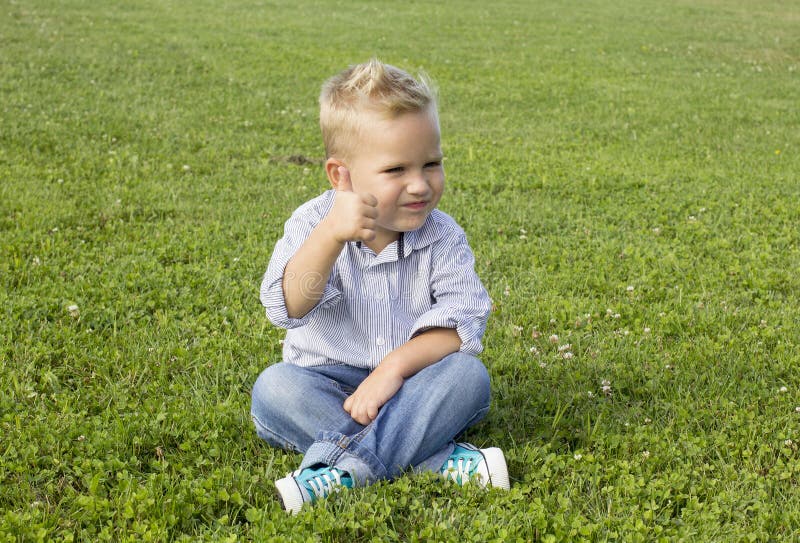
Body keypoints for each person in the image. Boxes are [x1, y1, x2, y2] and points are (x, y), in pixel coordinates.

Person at [251, 59, 509, 514]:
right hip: (326, 382)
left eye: (431, 163)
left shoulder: (441, 235)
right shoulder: (312, 223)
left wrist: (392, 369)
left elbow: (460, 325)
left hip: (413, 382)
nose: (419, 185)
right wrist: (330, 237)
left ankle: (339, 471)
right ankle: (436, 461)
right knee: (274, 389)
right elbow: (286, 306)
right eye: (396, 170)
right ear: (341, 176)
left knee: (469, 376)